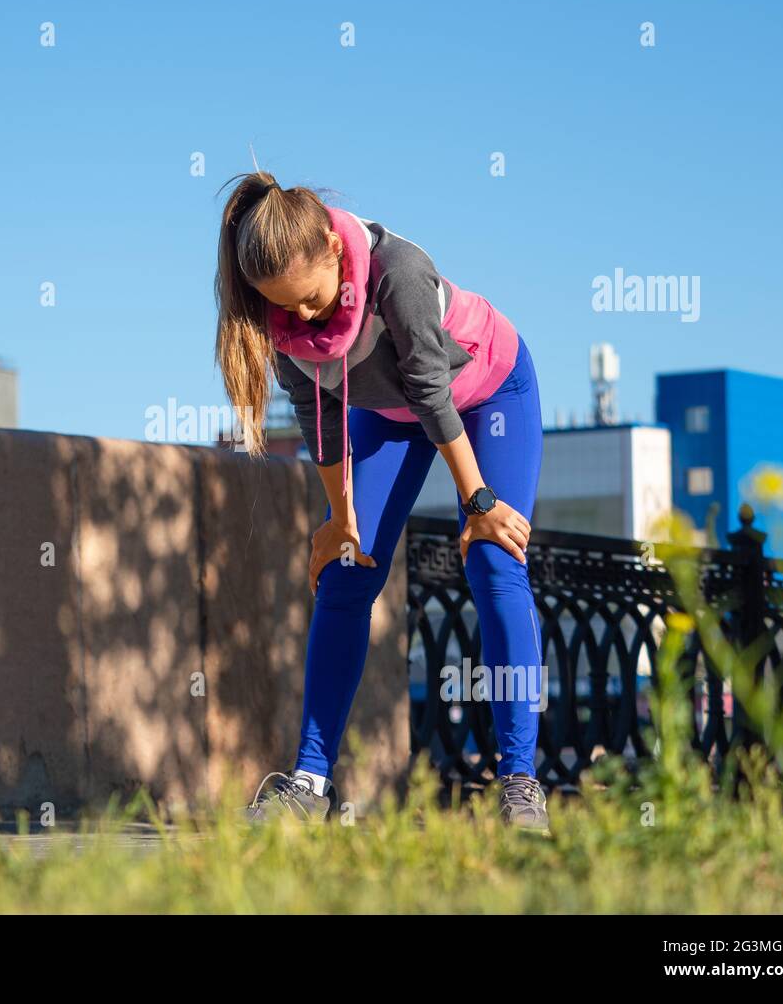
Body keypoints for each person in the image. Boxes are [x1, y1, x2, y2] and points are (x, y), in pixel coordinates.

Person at [213, 171, 549, 831]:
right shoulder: (278, 325)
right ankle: (308, 782)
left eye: (309, 300)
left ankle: (519, 782)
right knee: (346, 572)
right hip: (392, 414)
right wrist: (340, 522)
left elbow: (430, 390)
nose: (301, 318)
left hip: (489, 394)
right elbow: (323, 430)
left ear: (336, 257)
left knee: (492, 559)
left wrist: (478, 500)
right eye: (284, 308)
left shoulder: (399, 271)